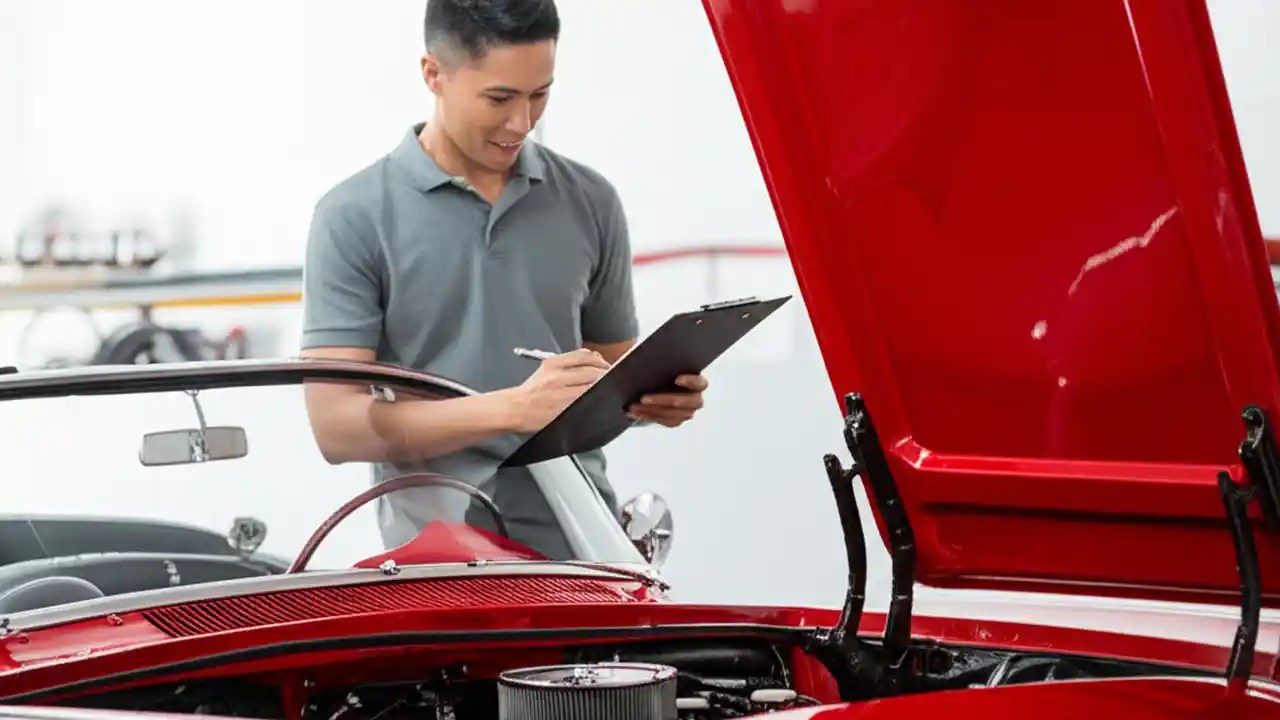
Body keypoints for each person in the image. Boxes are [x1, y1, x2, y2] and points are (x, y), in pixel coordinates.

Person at [299, 0, 708, 558]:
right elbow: (337, 427)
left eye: (540, 94)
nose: (523, 122)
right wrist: (514, 409)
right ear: (433, 75)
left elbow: (607, 374)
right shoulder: (353, 215)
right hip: (440, 563)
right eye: (499, 98)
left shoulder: (590, 201)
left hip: (586, 549)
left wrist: (650, 401)